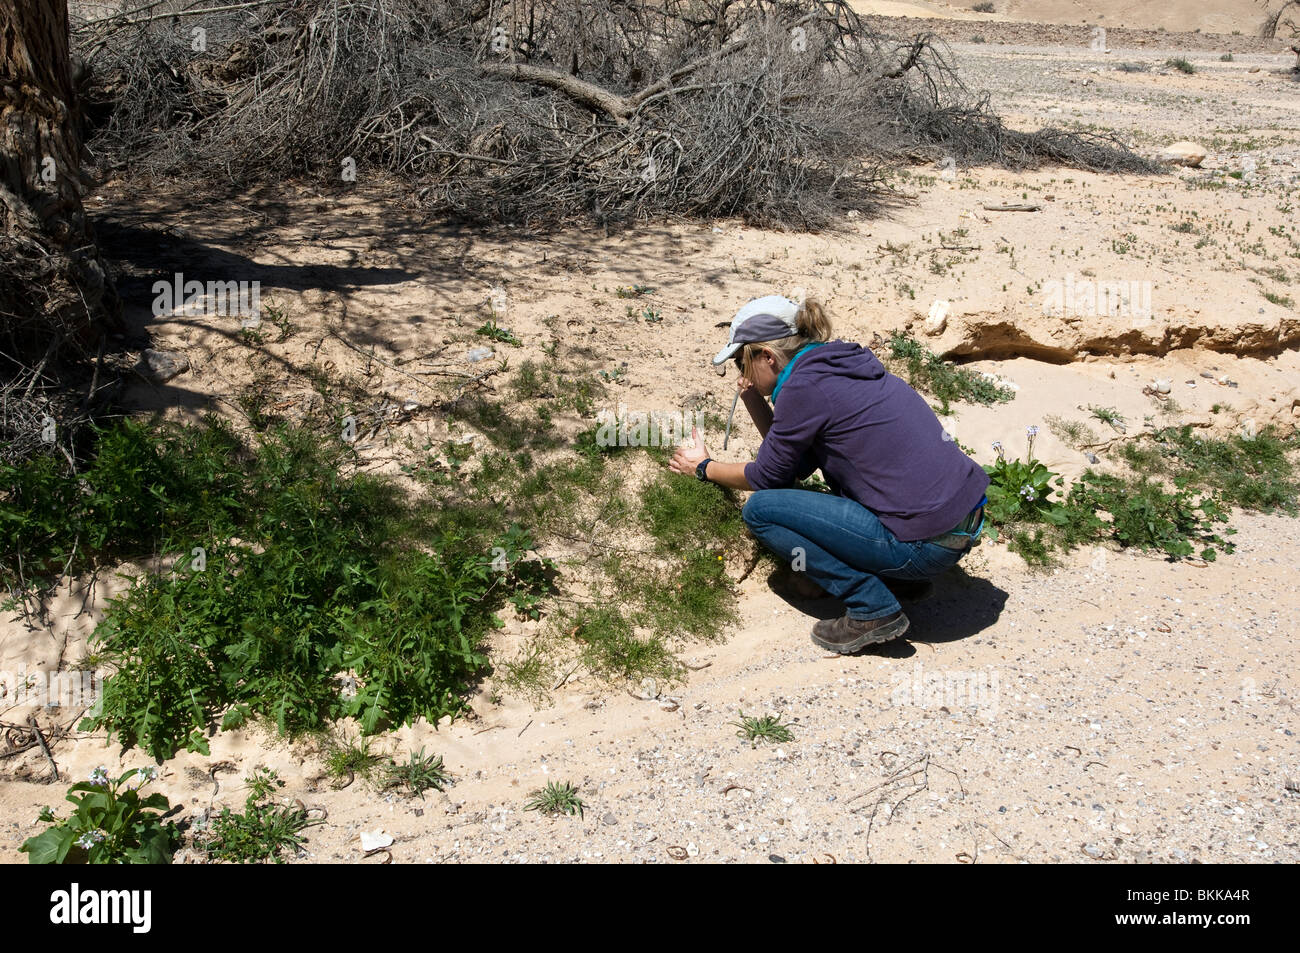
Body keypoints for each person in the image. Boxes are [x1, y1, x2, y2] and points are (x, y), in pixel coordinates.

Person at [668, 295, 989, 654]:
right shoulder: (838, 363)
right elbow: (799, 467)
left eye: (743, 363)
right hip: (961, 524)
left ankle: (871, 606)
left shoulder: (803, 388)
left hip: (923, 544)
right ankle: (897, 580)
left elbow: (769, 478)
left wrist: (703, 467)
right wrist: (754, 399)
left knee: (760, 510)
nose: (743, 375)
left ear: (767, 357)